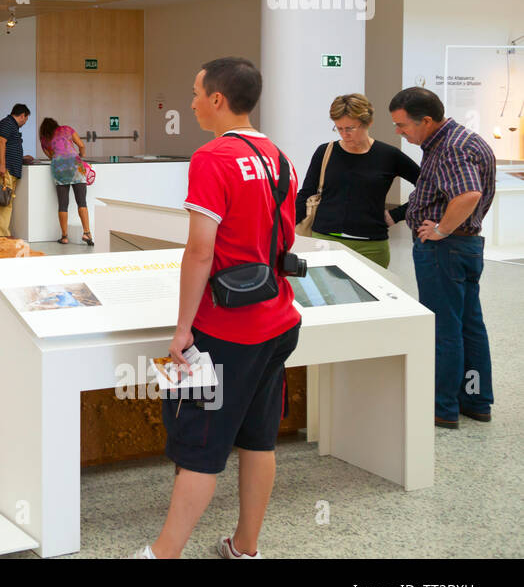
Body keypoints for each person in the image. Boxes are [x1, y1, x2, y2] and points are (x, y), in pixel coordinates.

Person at [132, 57, 299, 560]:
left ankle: (162, 554)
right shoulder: (278, 155)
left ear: (218, 100)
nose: (192, 102)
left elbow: (200, 250)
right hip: (278, 317)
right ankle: (246, 548)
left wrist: (183, 328)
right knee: (258, 440)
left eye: (196, 93)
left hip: (227, 327)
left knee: (200, 447)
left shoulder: (211, 158)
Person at [389, 87, 496, 430]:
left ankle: (443, 407)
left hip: (445, 250)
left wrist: (441, 230)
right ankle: (476, 399)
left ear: (428, 121)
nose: (399, 132)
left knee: (444, 328)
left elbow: (468, 194)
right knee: (470, 325)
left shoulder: (449, 147)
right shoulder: (465, 139)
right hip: (466, 247)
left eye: (402, 125)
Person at [294, 93, 421, 268]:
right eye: (339, 128)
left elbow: (427, 185)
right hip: (324, 242)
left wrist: (397, 214)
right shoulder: (324, 152)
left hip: (372, 246)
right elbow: (306, 193)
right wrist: (285, 227)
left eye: (350, 128)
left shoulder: (388, 155)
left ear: (368, 123)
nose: (345, 134)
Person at [38, 117, 94, 245]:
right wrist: (81, 156)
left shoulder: (44, 139)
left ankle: (64, 236)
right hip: (76, 166)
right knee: (82, 202)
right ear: (56, 124)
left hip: (60, 170)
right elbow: (81, 145)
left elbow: (51, 156)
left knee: (63, 204)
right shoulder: (66, 129)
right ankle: (87, 233)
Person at [0, 104, 31, 238]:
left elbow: (8, 146)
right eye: (26, 119)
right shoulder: (7, 124)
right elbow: (1, 142)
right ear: (22, 115)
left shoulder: (10, 125)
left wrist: (20, 157)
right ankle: (1, 235)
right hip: (5, 169)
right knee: (3, 202)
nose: (25, 122)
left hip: (8, 167)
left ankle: (1, 233)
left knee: (4, 202)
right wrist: (2, 164)